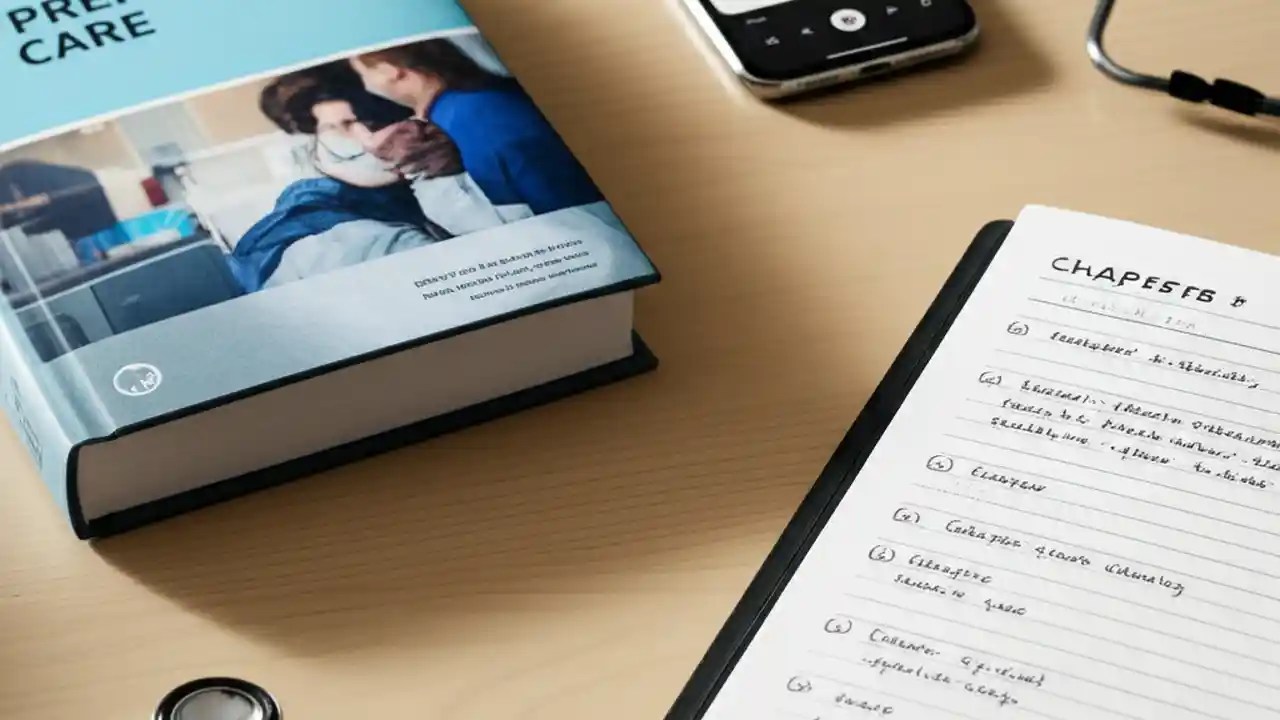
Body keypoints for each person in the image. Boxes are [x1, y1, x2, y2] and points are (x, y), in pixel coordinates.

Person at [229, 64, 456, 291]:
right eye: (341, 127)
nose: (367, 139)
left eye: (374, 122)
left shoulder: (413, 191)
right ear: (315, 142)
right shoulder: (333, 233)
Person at [350, 39, 605, 219]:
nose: (366, 84)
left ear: (389, 72)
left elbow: (575, 219)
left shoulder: (480, 120)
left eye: (362, 75)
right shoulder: (479, 101)